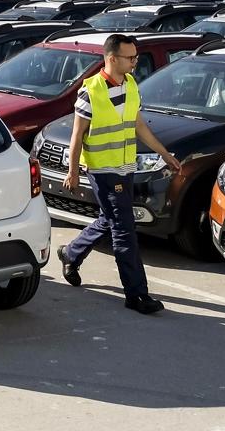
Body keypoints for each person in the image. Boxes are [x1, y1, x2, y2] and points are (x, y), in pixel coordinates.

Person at [58, 34, 181, 315]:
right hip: (103, 170)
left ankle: (71, 252)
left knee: (111, 219)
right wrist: (73, 171)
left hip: (125, 167)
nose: (136, 61)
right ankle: (136, 294)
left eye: (135, 57)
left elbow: (139, 126)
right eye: (130, 57)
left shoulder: (131, 85)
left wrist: (165, 154)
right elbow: (77, 135)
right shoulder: (91, 92)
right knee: (124, 231)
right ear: (112, 58)